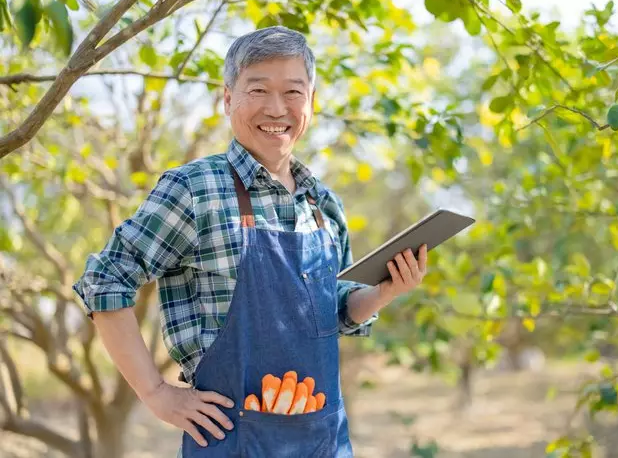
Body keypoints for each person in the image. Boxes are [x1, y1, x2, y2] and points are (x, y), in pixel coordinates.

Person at [72, 25, 428, 457]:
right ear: (228, 99)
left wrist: (385, 292)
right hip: (234, 441)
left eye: (293, 92)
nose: (276, 108)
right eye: (258, 90)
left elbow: (333, 311)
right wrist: (156, 393)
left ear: (311, 102)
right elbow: (106, 278)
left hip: (324, 441)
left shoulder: (323, 204)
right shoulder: (195, 189)